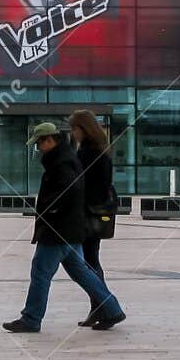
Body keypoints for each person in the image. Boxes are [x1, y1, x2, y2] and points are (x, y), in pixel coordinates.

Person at [4, 122, 125, 334]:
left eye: (39, 143)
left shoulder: (62, 162)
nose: (38, 148)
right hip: (71, 229)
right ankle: (112, 308)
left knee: (41, 271)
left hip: (58, 230)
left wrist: (51, 212)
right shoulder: (67, 158)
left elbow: (67, 191)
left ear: (50, 140)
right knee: (83, 273)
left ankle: (31, 318)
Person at [67, 109, 113, 278]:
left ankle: (103, 301)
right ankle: (101, 302)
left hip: (87, 214)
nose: (73, 134)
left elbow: (84, 186)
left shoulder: (88, 154)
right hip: (93, 213)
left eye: (74, 129)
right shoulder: (100, 152)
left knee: (89, 260)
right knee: (90, 259)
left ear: (84, 129)